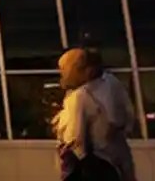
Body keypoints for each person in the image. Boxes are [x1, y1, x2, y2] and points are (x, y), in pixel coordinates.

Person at [53, 48, 136, 181]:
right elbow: (128, 118)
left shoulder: (79, 97)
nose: (62, 74)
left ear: (85, 71)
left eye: (64, 69)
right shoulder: (113, 83)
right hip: (116, 163)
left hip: (91, 170)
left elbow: (75, 141)